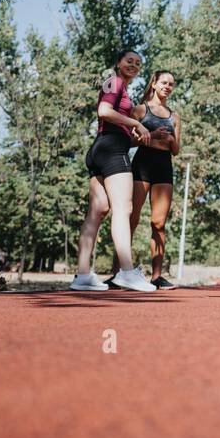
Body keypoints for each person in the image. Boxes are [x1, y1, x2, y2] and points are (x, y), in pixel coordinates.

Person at [69, 49, 156, 292]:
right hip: (110, 150)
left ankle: (83, 275)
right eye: (129, 60)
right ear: (118, 62)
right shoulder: (113, 81)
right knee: (123, 209)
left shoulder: (121, 87)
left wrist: (140, 137)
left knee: (98, 211)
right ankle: (127, 272)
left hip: (104, 149)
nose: (134, 65)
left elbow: (115, 128)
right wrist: (136, 122)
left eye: (138, 63)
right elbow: (104, 112)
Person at [129, 70, 181, 288]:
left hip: (163, 166)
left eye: (171, 84)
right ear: (154, 84)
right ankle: (120, 272)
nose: (167, 86)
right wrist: (149, 138)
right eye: (164, 82)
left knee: (158, 223)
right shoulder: (140, 110)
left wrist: (169, 138)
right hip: (143, 164)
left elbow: (177, 150)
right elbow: (129, 142)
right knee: (130, 217)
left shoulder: (174, 116)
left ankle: (157, 276)